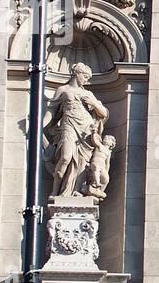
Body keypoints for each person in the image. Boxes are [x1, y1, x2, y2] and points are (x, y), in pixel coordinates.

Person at [44, 63, 110, 199]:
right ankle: (56, 191)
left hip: (85, 130)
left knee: (81, 163)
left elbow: (103, 113)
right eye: (85, 76)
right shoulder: (63, 89)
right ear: (77, 74)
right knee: (66, 157)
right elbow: (52, 109)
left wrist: (94, 103)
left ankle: (75, 191)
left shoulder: (88, 93)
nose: (86, 80)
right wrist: (41, 125)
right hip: (69, 125)